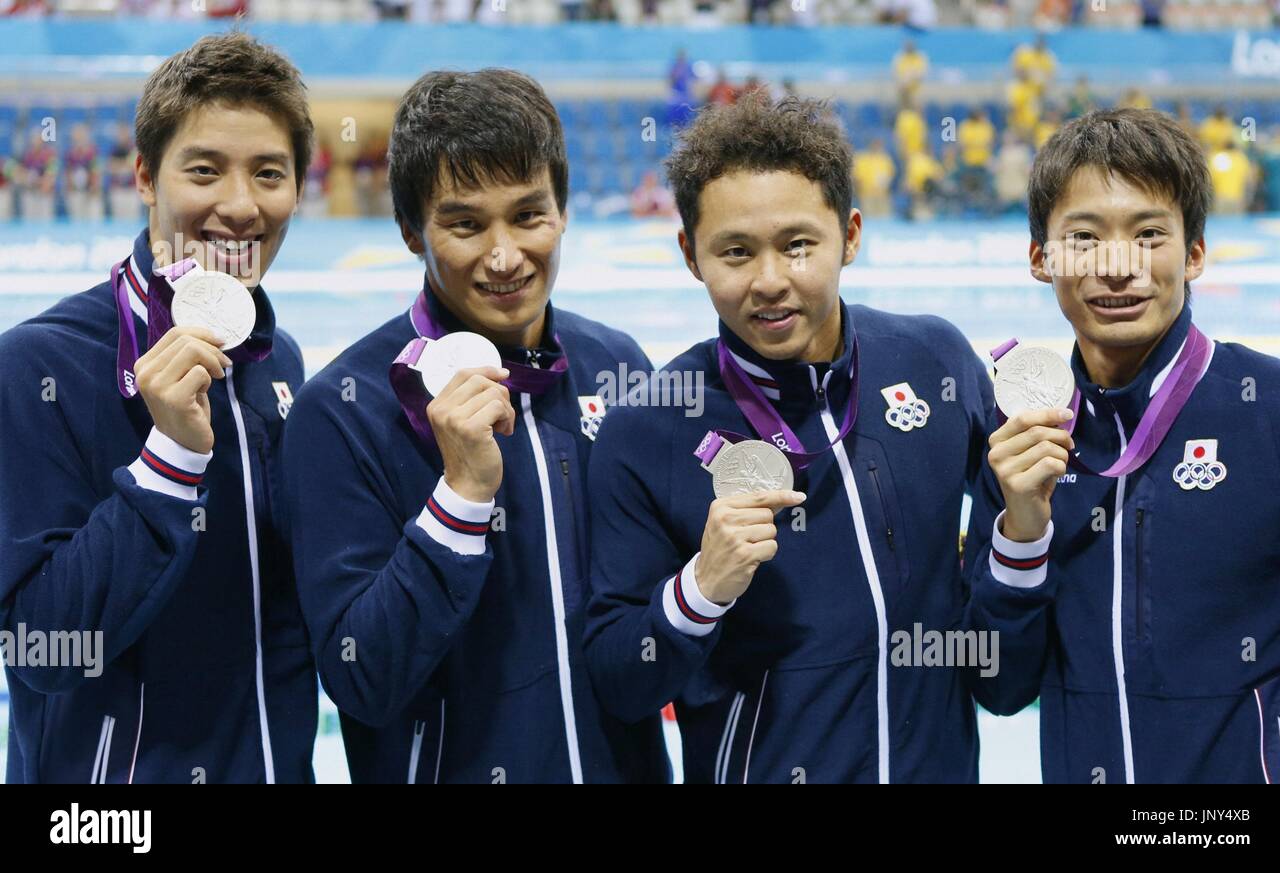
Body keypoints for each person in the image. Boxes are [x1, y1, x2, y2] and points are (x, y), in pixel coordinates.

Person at [583, 92, 994, 783]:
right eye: (736, 252)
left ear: (851, 234)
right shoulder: (647, 429)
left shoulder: (935, 361)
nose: (770, 282)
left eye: (798, 244)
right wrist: (698, 590)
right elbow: (622, 680)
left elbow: (1002, 639)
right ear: (690, 254)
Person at [281, 68, 668, 783]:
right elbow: (361, 679)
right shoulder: (340, 411)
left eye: (529, 215)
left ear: (564, 209)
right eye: (465, 223)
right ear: (409, 230)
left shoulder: (618, 366)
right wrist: (458, 500)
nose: (503, 255)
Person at [0, 32, 318, 783]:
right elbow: (40, 647)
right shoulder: (36, 366)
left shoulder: (281, 361)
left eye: (269, 173)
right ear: (145, 175)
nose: (240, 206)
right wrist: (168, 464)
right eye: (205, 170)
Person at [966, 108, 1280, 783]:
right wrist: (1023, 532)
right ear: (1040, 257)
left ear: (1195, 251)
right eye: (1083, 238)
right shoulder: (1018, 441)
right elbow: (998, 686)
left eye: (1149, 234)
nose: (1117, 268)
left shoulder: (1279, 412)